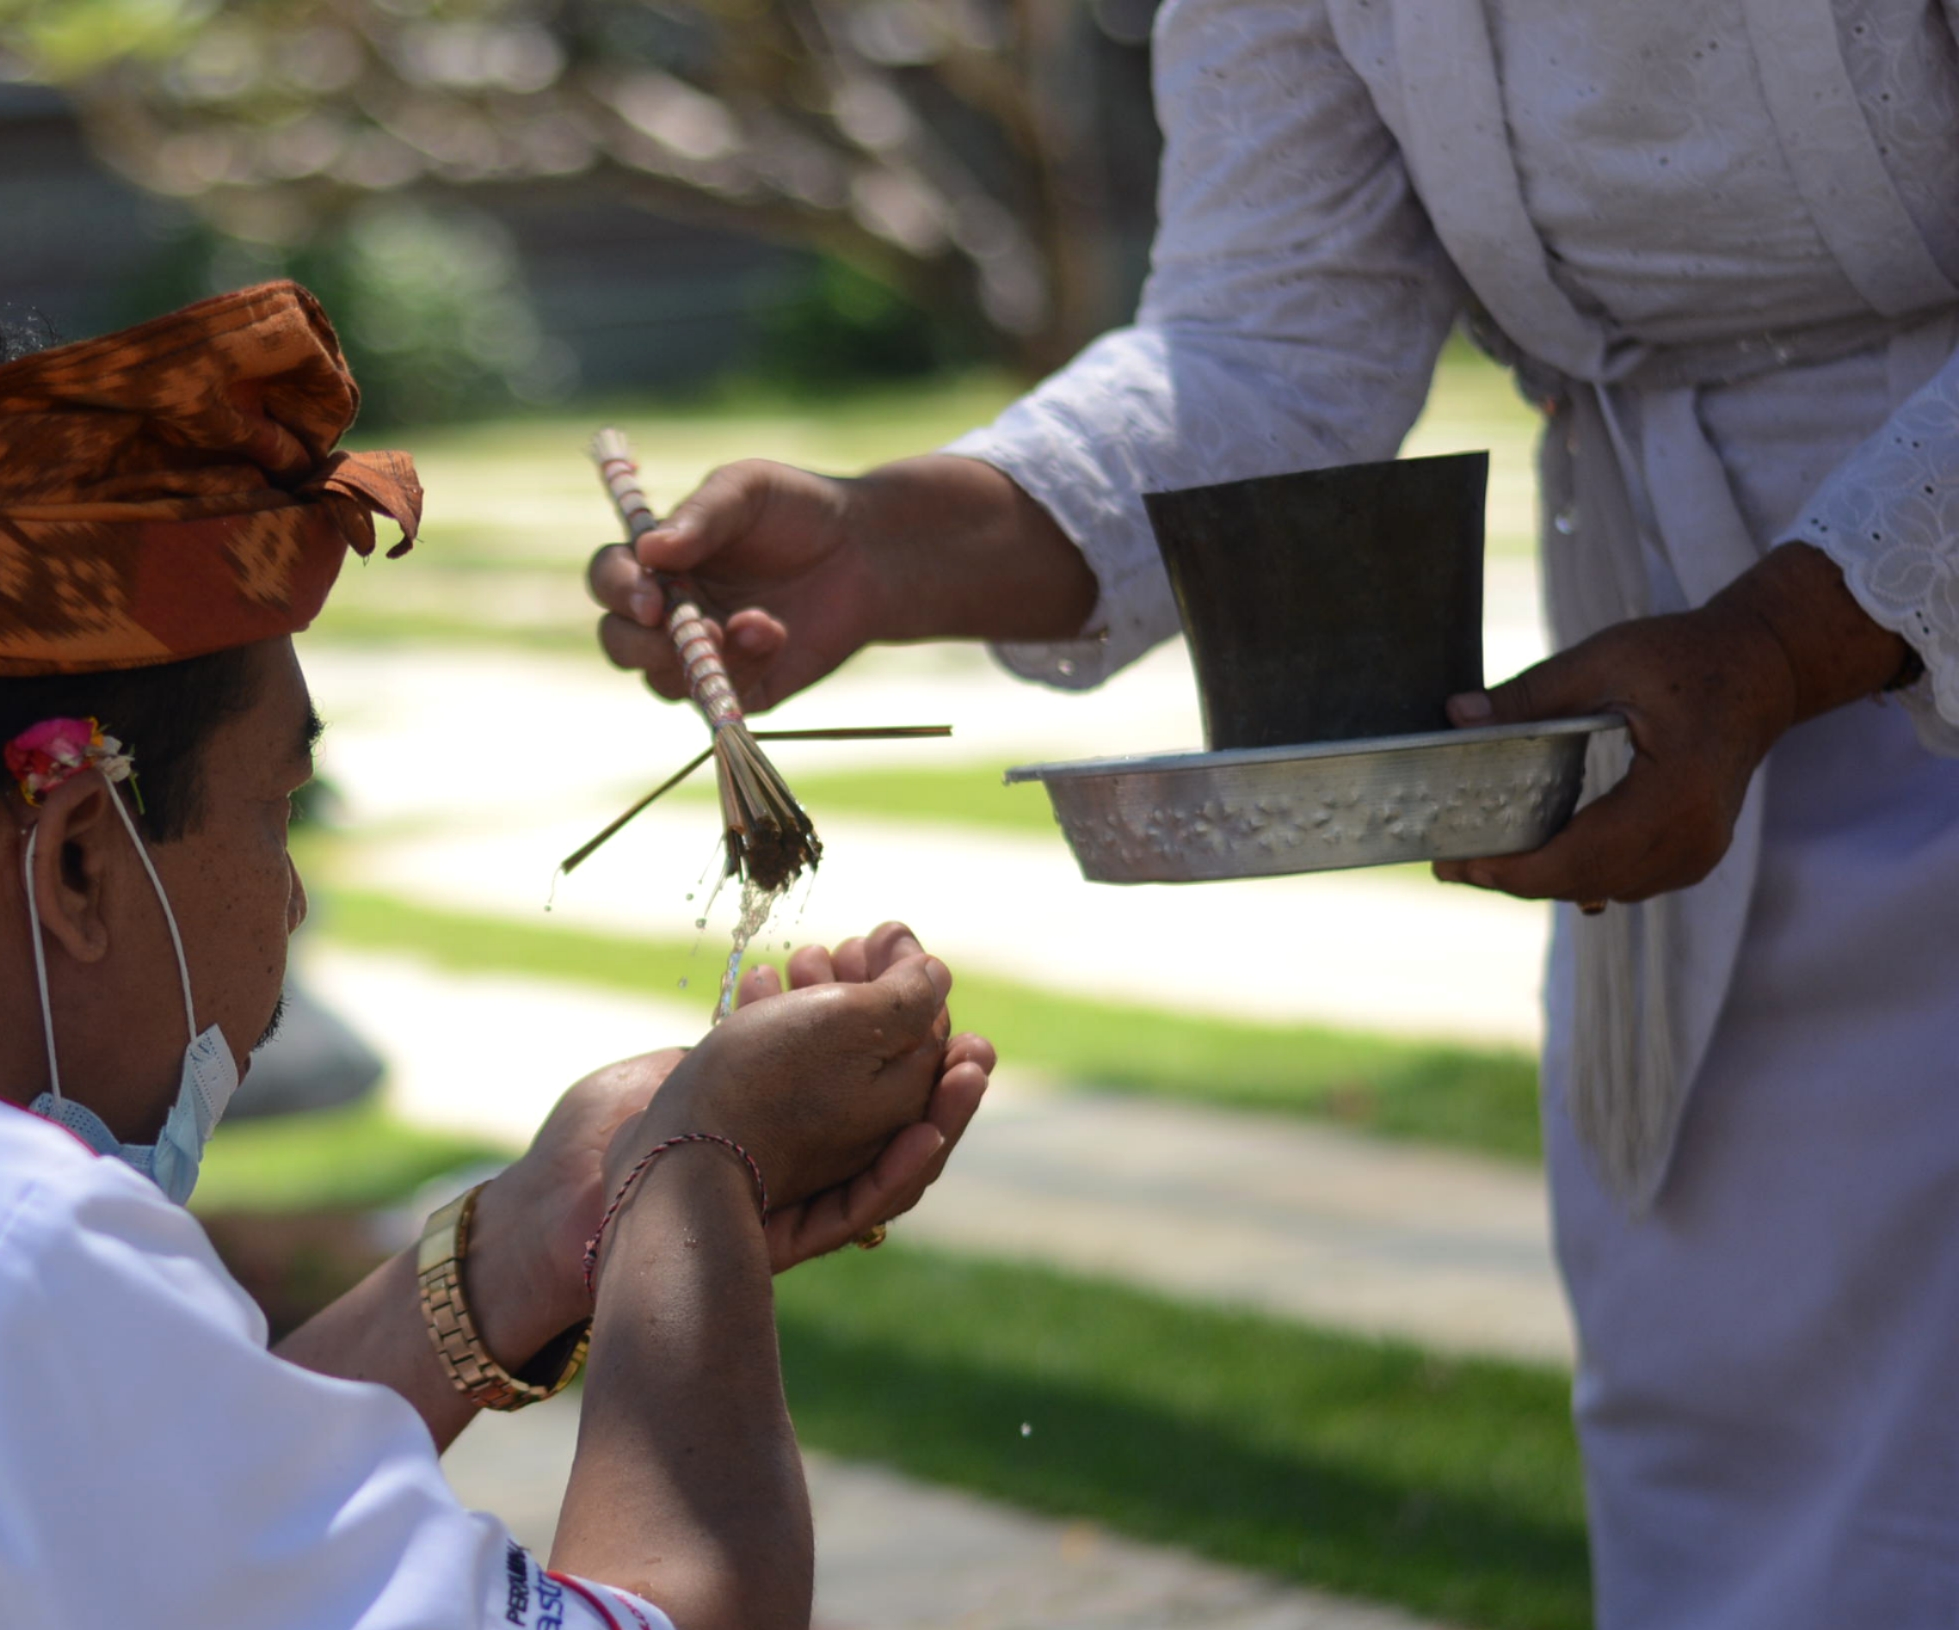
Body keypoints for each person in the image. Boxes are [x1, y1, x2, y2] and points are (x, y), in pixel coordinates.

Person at [588, 4, 1959, 1625]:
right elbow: (1271, 345)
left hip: (1843, 579)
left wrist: (1777, 648)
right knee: (1749, 1469)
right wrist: (886, 546)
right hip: (1657, 700)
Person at [0, 282, 994, 1630]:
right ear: (80, 850)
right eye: (280, 805)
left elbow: (118, 1505)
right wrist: (698, 1178)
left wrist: (517, 1248)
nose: (286, 911)